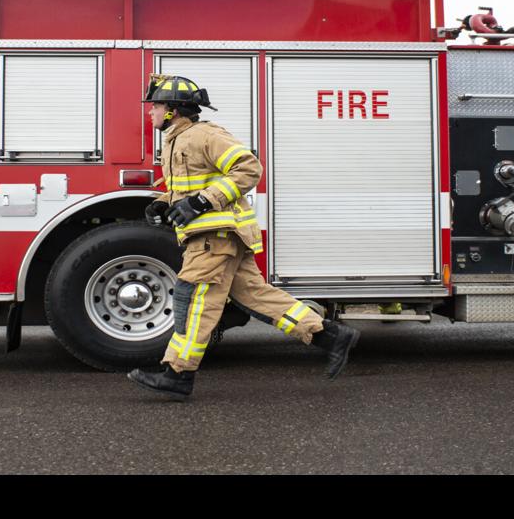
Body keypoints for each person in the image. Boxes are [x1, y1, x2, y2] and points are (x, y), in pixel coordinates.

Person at [127, 74, 360, 401]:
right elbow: (187, 189)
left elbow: (248, 168)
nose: (150, 112)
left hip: (215, 235)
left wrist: (203, 202)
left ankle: (178, 373)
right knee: (256, 296)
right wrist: (162, 203)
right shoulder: (176, 141)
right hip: (219, 234)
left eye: (156, 105)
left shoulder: (204, 135)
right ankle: (329, 336)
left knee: (192, 298)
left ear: (174, 111)